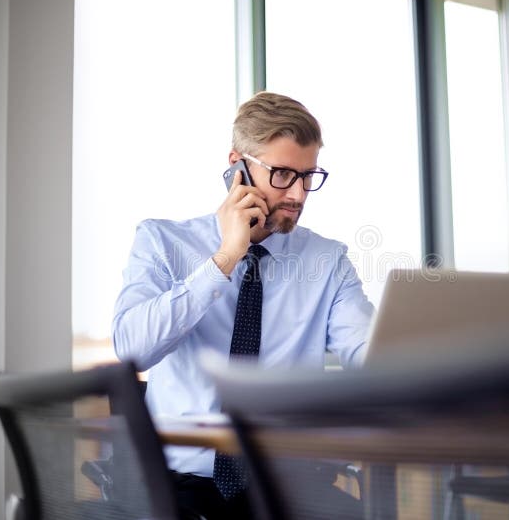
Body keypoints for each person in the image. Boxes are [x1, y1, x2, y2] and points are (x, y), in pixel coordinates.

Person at [113, 91, 374, 519]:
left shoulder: (328, 262)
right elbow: (132, 350)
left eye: (309, 176)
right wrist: (225, 259)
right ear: (237, 164)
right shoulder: (161, 242)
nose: (298, 193)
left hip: (289, 486)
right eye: (283, 174)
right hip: (181, 487)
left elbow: (369, 356)